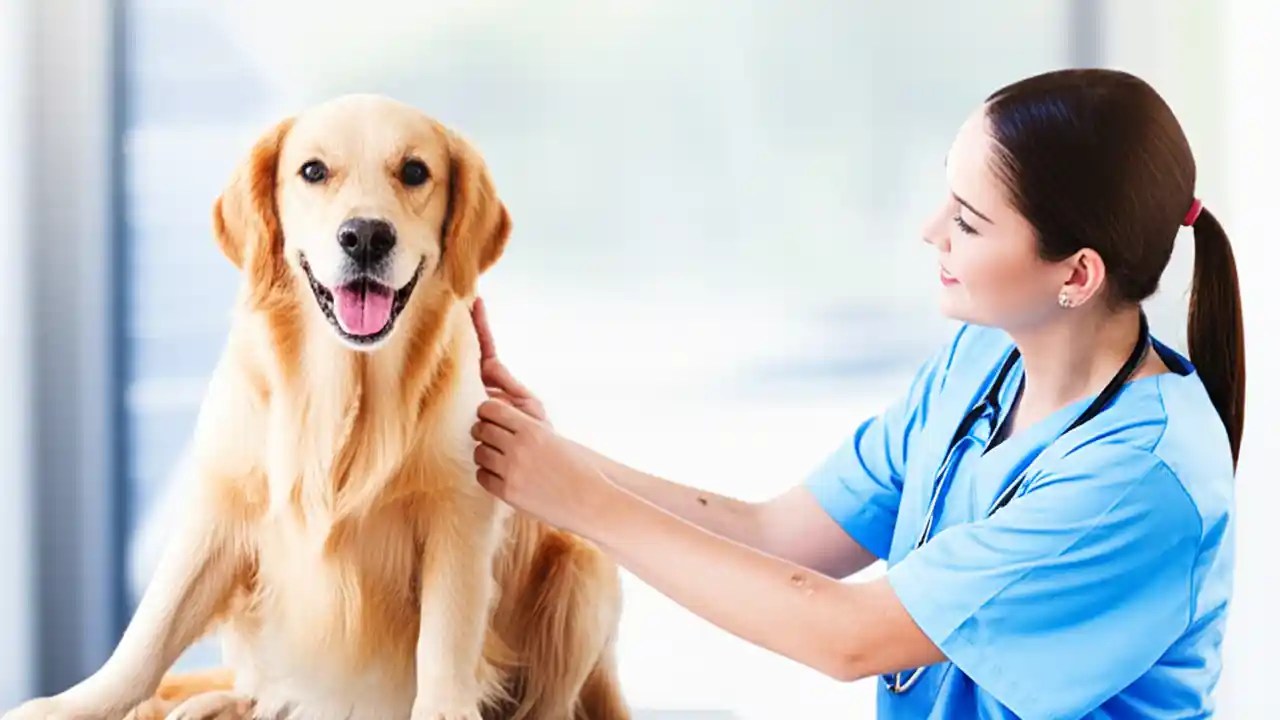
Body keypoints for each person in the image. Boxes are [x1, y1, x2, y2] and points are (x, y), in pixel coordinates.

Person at [468, 69, 1244, 719]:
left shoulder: (1143, 479)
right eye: (948, 194)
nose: (930, 229)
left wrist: (578, 502)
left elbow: (849, 637)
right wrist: (552, 459)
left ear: (1076, 274)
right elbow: (776, 535)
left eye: (969, 222)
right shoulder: (981, 362)